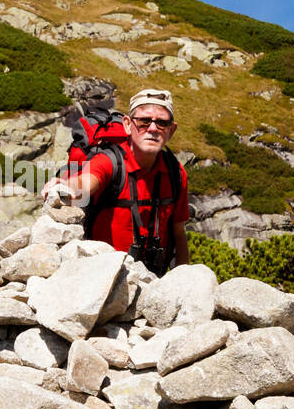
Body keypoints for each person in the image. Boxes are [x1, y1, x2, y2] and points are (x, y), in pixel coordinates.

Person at [42, 88, 190, 272]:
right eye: (144, 121)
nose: (152, 129)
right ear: (127, 124)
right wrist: (65, 185)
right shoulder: (110, 162)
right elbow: (86, 183)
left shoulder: (175, 172)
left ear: (171, 130)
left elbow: (178, 232)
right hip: (103, 280)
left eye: (162, 123)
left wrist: (184, 277)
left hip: (152, 281)